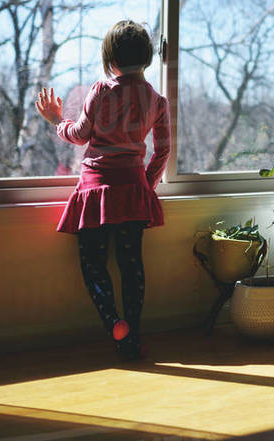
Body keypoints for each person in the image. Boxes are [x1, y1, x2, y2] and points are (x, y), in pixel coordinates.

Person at [35, 20, 169, 360]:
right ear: (148, 57)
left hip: (96, 192)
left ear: (110, 58)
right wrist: (146, 186)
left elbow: (79, 136)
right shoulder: (156, 99)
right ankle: (134, 334)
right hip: (132, 190)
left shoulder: (101, 90)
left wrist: (56, 120)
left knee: (93, 264)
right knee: (131, 265)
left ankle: (113, 321)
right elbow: (163, 150)